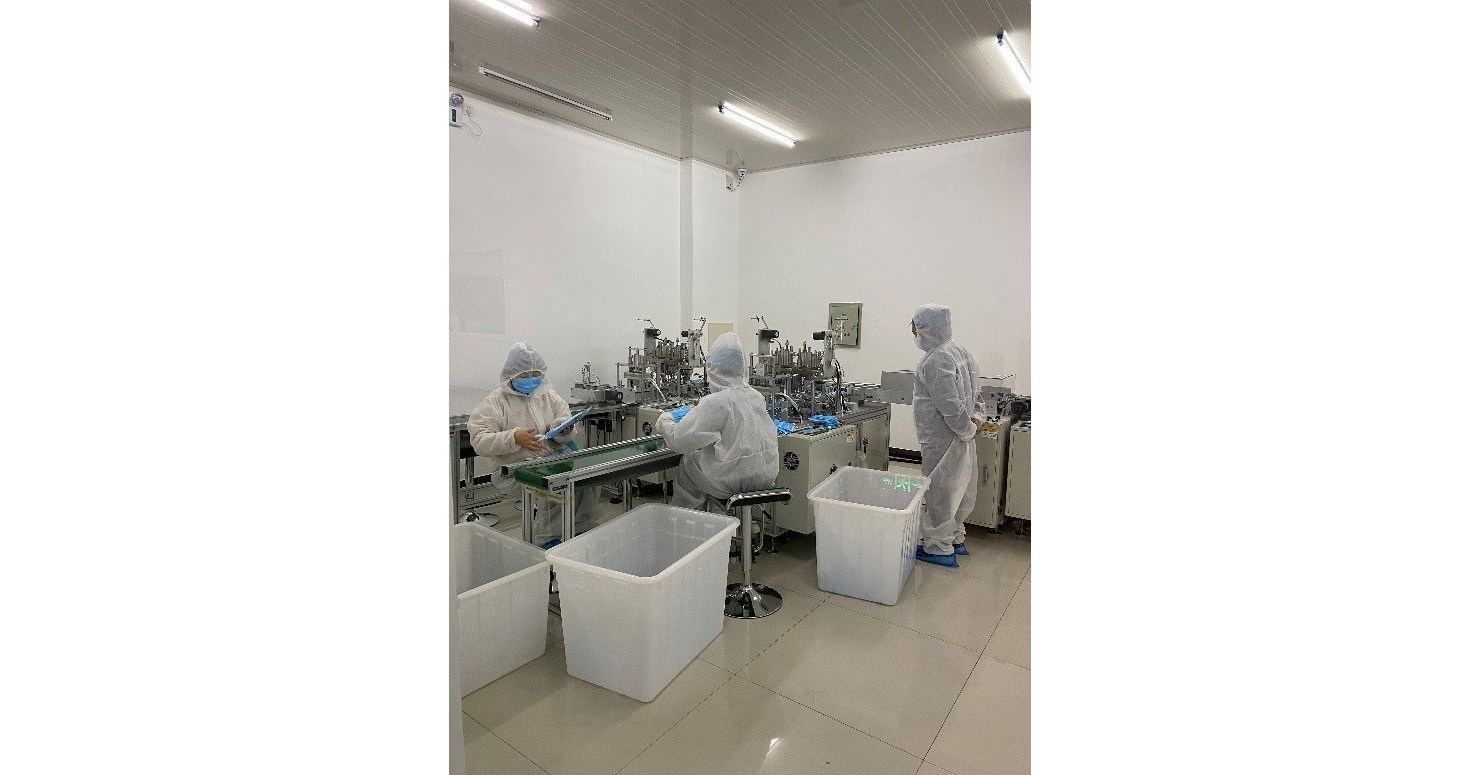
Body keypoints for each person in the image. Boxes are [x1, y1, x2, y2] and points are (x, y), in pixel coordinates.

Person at [467, 342, 596, 549]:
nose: (531, 379)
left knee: (587, 482)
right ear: (511, 375)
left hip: (550, 460)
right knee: (555, 490)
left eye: (535, 374)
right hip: (514, 469)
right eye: (524, 375)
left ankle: (579, 531)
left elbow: (564, 418)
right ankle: (546, 542)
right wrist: (514, 438)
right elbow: (479, 440)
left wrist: (562, 430)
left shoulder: (547, 395)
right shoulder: (496, 402)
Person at [656, 332, 780, 513]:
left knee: (689, 460)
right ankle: (721, 515)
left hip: (732, 481)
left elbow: (679, 441)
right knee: (711, 459)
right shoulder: (756, 396)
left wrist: (664, 420)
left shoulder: (716, 402)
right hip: (767, 475)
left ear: (712, 367)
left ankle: (688, 519)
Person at [910, 304, 987, 568]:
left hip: (942, 439)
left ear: (927, 328)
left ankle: (938, 547)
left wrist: (966, 429)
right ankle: (955, 538)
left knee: (940, 492)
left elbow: (950, 405)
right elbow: (977, 395)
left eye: (916, 328)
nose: (914, 333)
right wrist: (974, 424)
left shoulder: (935, 360)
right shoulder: (961, 353)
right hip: (961, 436)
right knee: (960, 488)